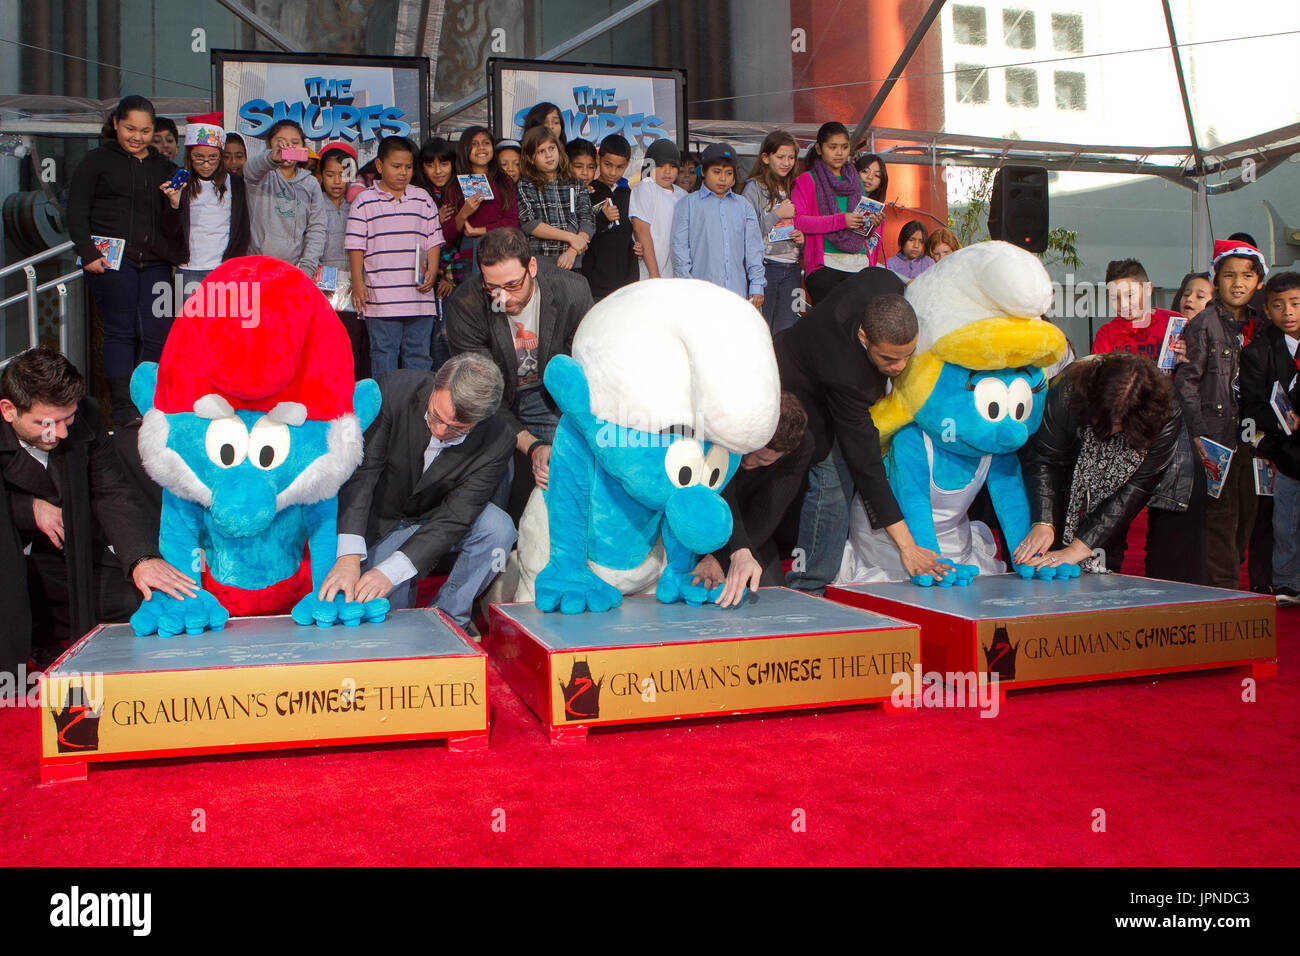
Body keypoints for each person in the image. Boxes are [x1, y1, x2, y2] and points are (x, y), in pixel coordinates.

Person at [0, 348, 198, 669]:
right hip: (10, 561)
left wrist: (141, 559)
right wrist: (27, 508)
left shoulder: (85, 417)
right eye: (48, 423)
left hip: (65, 557)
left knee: (138, 597)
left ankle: (51, 629)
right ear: (9, 411)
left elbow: (112, 492)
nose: (62, 433)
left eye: (69, 418)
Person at [776, 272, 948, 592]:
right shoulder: (848, 374)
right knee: (834, 476)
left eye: (907, 356)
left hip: (822, 362)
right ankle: (809, 584)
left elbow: (820, 277)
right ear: (865, 336)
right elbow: (866, 462)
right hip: (793, 383)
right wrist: (907, 547)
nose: (900, 367)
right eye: (889, 359)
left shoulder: (886, 283)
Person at [323, 353, 517, 634]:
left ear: (480, 421)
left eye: (456, 429)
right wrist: (349, 558)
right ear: (436, 384)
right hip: (381, 521)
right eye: (435, 416)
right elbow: (362, 477)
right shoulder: (395, 391)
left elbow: (457, 516)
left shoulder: (499, 438)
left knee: (499, 530)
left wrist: (391, 572)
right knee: (384, 615)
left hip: (438, 517)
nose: (439, 430)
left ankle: (448, 620)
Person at [445, 227, 593, 508]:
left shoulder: (572, 290)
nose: (505, 297)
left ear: (532, 267)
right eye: (493, 288)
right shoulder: (467, 304)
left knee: (564, 474)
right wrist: (531, 446)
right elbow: (482, 393)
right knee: (491, 482)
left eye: (514, 285)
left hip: (547, 395)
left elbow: (584, 369)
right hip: (493, 399)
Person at [66, 94, 185, 426]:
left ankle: (150, 403)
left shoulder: (167, 168)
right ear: (116, 123)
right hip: (111, 261)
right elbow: (76, 210)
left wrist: (176, 203)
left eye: (145, 131)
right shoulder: (96, 161)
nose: (138, 137)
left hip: (157, 263)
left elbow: (175, 227)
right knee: (120, 332)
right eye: (130, 128)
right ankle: (122, 407)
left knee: (157, 333)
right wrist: (87, 253)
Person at [1015, 353, 1186, 575]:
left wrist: (1079, 547)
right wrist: (1044, 522)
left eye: (1119, 424)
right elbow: (1044, 458)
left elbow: (1136, 488)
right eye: (1104, 420)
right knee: (1041, 565)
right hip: (1064, 482)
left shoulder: (1165, 412)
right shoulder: (1068, 391)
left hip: (1111, 499)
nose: (1111, 430)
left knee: (1101, 568)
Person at [1173, 238, 1266, 589]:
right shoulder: (1204, 324)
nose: (1238, 283)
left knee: (1247, 520)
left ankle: (1225, 584)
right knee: (1220, 521)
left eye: (1247, 276)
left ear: (1258, 281)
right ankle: (1223, 596)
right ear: (1216, 281)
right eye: (1229, 275)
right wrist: (1198, 435)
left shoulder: (1263, 325)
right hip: (1216, 439)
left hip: (1253, 440)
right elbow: (1188, 383)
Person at [691, 391, 814, 603]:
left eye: (762, 460)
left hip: (750, 527)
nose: (748, 461)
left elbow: (768, 511)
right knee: (695, 586)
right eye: (750, 451)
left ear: (785, 454)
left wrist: (722, 558)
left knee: (772, 597)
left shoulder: (802, 447)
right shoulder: (728, 424)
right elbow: (718, 488)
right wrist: (719, 553)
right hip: (702, 515)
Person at [346, 135, 444, 375]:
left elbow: (434, 239)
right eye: (396, 166)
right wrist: (358, 283)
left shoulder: (423, 198)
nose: (403, 173)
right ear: (379, 166)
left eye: (408, 167)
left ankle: (417, 407)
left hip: (419, 299)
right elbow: (355, 245)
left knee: (418, 355)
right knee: (383, 355)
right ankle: (387, 409)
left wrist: (432, 270)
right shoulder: (363, 201)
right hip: (381, 301)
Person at [1240, 271, 1300, 605]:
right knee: (1284, 522)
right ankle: (1287, 582)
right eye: (1278, 305)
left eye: (1295, 303)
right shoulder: (1258, 352)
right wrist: (1281, 429)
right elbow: (1251, 406)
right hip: (1282, 452)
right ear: (1267, 311)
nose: (1288, 312)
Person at [792, 121, 885, 307]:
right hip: (825, 266)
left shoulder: (855, 182)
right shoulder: (806, 181)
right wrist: (841, 220)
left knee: (857, 330)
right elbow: (800, 221)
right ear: (819, 148)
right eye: (832, 147)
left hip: (859, 264)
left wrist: (872, 223)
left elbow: (861, 227)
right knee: (831, 329)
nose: (839, 153)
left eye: (844, 147)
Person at [670, 142, 765, 308]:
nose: (723, 179)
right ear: (704, 172)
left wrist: (757, 285)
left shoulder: (743, 206)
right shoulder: (687, 204)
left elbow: (754, 250)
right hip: (699, 296)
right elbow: (679, 250)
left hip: (737, 295)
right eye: (717, 172)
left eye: (729, 173)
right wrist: (688, 287)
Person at [242, 118, 328, 278]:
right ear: (269, 145)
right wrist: (270, 159)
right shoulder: (261, 176)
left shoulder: (310, 184)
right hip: (257, 270)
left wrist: (306, 269)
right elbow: (249, 169)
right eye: (281, 142)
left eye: (295, 142)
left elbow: (317, 228)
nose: (288, 147)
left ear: (303, 147)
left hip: (293, 272)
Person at [171, 122, 249, 291]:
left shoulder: (235, 183)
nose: (206, 164)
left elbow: (242, 227)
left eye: (213, 158)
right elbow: (167, 228)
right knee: (188, 317)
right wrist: (174, 205)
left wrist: (234, 262)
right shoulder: (178, 182)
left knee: (225, 317)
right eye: (199, 157)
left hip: (225, 269)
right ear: (189, 155)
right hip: (189, 269)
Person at [315, 144, 369, 381]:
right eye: (330, 174)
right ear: (320, 176)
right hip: (321, 287)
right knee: (323, 345)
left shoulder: (360, 204)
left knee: (353, 343)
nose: (337, 181)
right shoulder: (313, 204)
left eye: (343, 174)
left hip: (354, 286)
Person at [743, 130, 805, 333]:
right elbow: (746, 231)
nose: (786, 162)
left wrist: (803, 236)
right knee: (761, 329)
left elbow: (807, 221)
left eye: (791, 157)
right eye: (780, 157)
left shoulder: (797, 187)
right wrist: (776, 214)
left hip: (793, 268)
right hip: (765, 265)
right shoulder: (753, 188)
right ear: (765, 157)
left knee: (790, 330)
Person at [514, 125, 595, 270]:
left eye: (552, 148)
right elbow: (530, 223)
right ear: (531, 158)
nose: (549, 155)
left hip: (573, 261)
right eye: (541, 151)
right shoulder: (526, 184)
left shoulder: (575, 183)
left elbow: (587, 221)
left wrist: (572, 251)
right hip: (539, 260)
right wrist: (571, 238)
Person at [445, 126, 518, 279]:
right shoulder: (456, 185)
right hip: (470, 256)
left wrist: (478, 231)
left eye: (486, 143)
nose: (481, 148)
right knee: (473, 302)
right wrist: (464, 213)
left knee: (501, 302)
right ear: (465, 148)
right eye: (474, 144)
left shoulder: (504, 181)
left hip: (503, 252)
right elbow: (447, 235)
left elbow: (513, 222)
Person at [581, 134, 638, 301]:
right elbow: (582, 233)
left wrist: (638, 244)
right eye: (608, 165)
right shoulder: (588, 192)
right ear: (598, 159)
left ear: (627, 164)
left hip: (626, 281)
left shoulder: (629, 194)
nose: (613, 172)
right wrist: (602, 218)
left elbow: (633, 230)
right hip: (594, 281)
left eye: (620, 167)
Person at [629, 138, 687, 280]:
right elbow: (641, 229)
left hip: (678, 276)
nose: (667, 171)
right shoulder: (646, 187)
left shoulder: (683, 195)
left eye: (673, 166)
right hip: (650, 275)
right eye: (660, 165)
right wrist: (654, 274)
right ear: (650, 165)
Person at [1091, 259, 1171, 360]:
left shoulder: (1173, 322)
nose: (1123, 304)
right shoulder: (1106, 334)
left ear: (1148, 289)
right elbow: (1098, 372)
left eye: (1129, 295)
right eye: (1115, 298)